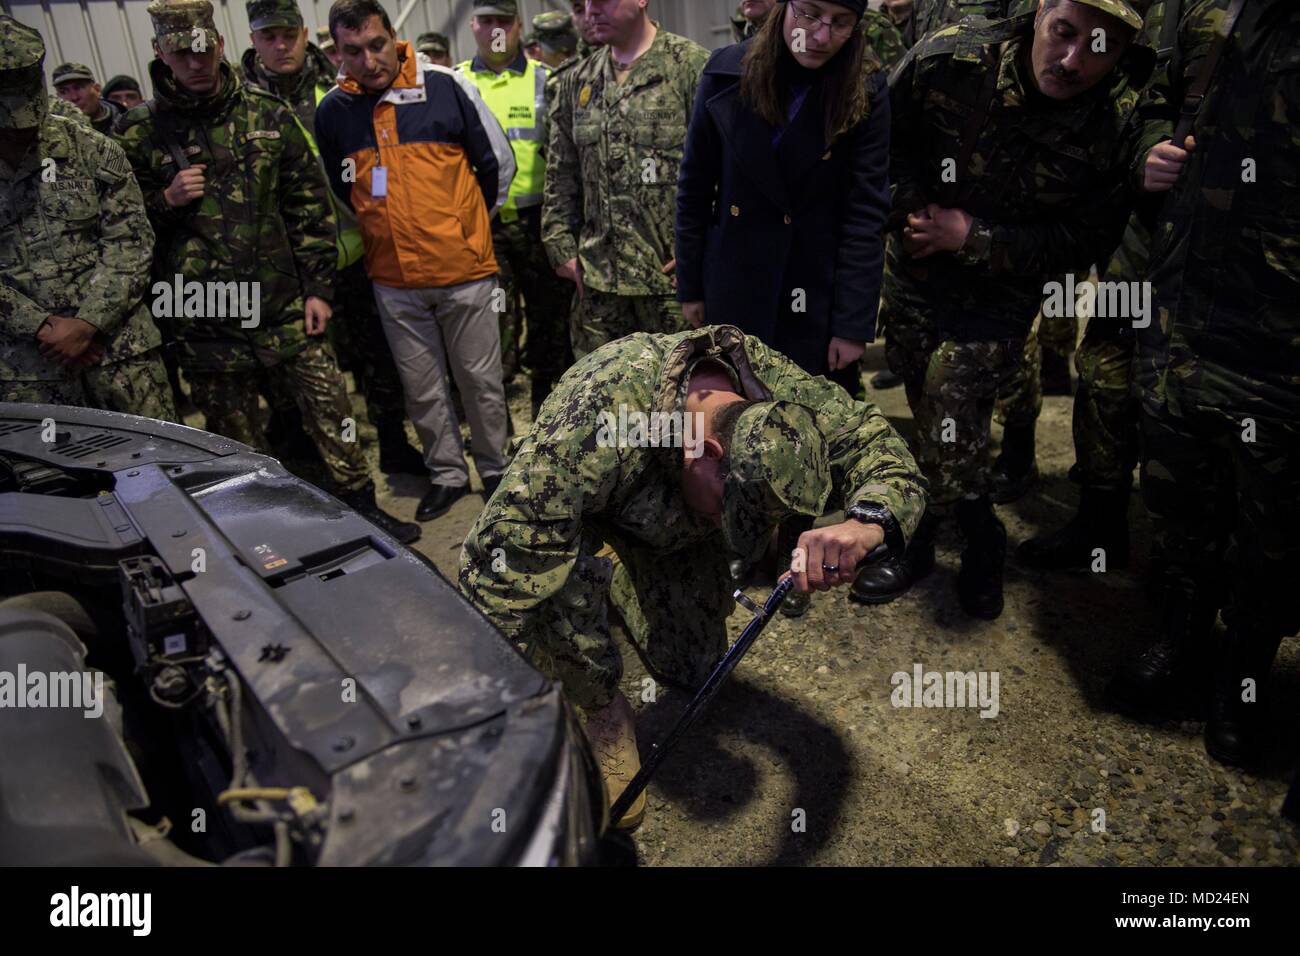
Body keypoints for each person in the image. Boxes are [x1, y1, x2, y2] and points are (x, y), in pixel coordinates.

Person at [459, 325, 926, 829]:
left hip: (668, 526)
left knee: (696, 666)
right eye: (729, 515)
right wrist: (521, 712)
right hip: (574, 523)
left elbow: (879, 445)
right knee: (548, 589)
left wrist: (867, 524)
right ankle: (599, 701)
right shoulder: (595, 417)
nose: (734, 531)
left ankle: (623, 571)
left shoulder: (772, 391)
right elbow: (497, 579)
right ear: (706, 452)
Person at [852, 0, 1152, 619]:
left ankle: (956, 534)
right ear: (1038, 11)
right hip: (915, 267)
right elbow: (880, 145)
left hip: (1004, 288)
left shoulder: (1117, 118)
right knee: (921, 387)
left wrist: (975, 238)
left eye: (1100, 48)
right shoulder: (952, 57)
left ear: (1123, 51)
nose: (1071, 61)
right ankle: (956, 515)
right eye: (1063, 33)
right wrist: (914, 213)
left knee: (950, 389)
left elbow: (1087, 238)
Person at [115, 0, 420, 544]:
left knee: (333, 413)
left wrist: (319, 290)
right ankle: (262, 535)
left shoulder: (264, 114)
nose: (196, 61)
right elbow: (119, 229)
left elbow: (308, 207)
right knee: (235, 441)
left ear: (223, 46)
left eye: (204, 48)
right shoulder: (139, 132)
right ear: (160, 53)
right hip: (204, 318)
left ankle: (362, 510)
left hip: (284, 305)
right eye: (181, 51)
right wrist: (164, 199)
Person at [1108, 0, 1300, 769]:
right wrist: (1149, 153)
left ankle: (1243, 678)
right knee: (1179, 500)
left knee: (1275, 532)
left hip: (1283, 337)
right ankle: (1182, 640)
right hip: (1188, 309)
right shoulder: (1223, 13)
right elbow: (1150, 97)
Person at [316, 0, 516, 522]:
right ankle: (448, 473)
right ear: (338, 52)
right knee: (422, 388)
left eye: (377, 44)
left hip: (464, 270)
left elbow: (497, 164)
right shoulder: (334, 112)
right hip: (393, 280)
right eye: (353, 51)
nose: (368, 59)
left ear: (393, 37)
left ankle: (495, 468)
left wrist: (466, 226)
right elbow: (344, 193)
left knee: (480, 379)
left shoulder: (447, 86)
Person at [241, 0, 424, 477]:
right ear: (253, 41)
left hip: (359, 251)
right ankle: (312, 462)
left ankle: (393, 443)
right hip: (292, 269)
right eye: (268, 37)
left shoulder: (342, 86)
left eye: (288, 34)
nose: (281, 45)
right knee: (304, 375)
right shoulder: (242, 103)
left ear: (305, 34)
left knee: (379, 359)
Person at [677, 0, 889, 395]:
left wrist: (852, 325)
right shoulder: (725, 72)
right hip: (734, 286)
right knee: (733, 421)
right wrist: (691, 287)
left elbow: (866, 213)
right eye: (809, 13)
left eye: (841, 23)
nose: (822, 35)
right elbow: (695, 188)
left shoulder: (864, 88)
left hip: (815, 294)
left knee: (809, 428)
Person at [1, 17, 173, 420]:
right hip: (25, 371)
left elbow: (131, 242)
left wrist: (87, 323)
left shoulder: (92, 150)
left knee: (159, 471)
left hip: (120, 354)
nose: (20, 135)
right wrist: (42, 327)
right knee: (49, 483)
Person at [542, 0, 709, 359]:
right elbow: (561, 172)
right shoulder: (577, 81)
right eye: (584, 3)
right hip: (599, 284)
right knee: (606, 405)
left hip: (670, 285)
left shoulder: (690, 67)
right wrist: (561, 248)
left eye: (601, 1)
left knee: (679, 403)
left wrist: (701, 251)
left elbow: (723, 169)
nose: (590, 11)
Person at [458, 2, 575, 415]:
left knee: (550, 324)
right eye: (486, 21)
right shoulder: (456, 82)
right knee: (493, 329)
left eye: (503, 22)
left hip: (539, 224)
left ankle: (550, 415)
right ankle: (497, 425)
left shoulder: (548, 81)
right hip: (484, 231)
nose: (494, 30)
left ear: (518, 26)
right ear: (472, 25)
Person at [51, 62, 123, 136]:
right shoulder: (55, 133)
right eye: (64, 92)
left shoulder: (126, 122)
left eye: (78, 87)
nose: (74, 97)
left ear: (97, 89)